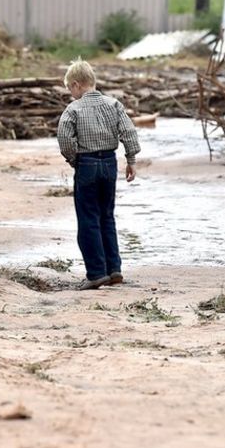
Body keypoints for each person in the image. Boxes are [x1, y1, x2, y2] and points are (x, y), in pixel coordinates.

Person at [56, 59, 141, 290]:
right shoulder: (114, 104)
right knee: (107, 216)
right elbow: (129, 132)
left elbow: (64, 139)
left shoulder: (73, 109)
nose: (71, 94)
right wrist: (131, 160)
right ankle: (114, 269)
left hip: (87, 163)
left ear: (76, 84)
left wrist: (74, 160)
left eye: (70, 89)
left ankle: (96, 273)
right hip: (110, 163)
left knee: (88, 219)